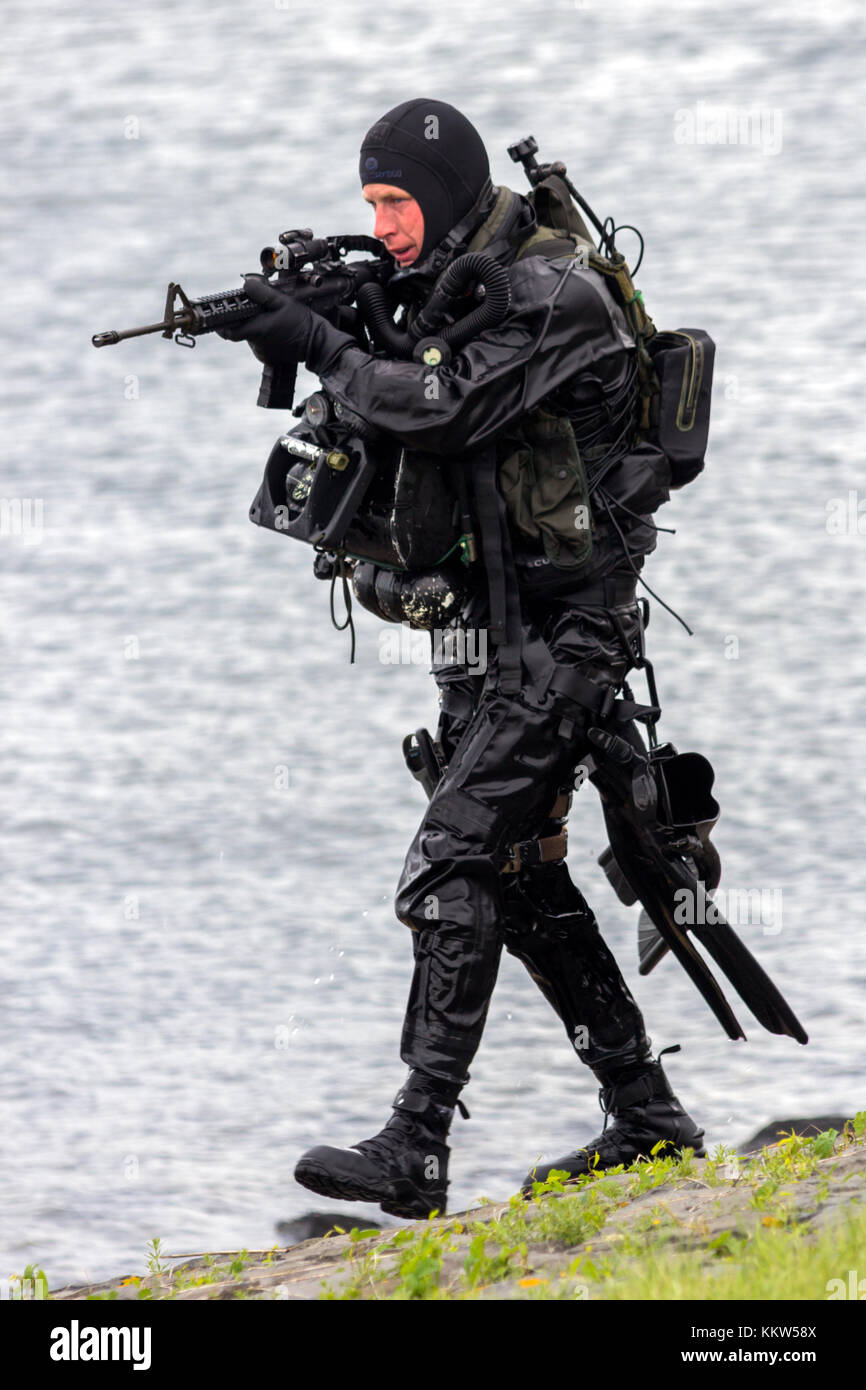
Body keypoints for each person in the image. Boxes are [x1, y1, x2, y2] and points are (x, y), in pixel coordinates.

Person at [219, 98, 706, 1221]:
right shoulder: (439, 281)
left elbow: (436, 404)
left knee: (446, 863)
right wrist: (310, 314)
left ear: (440, 194)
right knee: (521, 880)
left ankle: (416, 1142)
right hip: (482, 635)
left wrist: (320, 345)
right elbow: (397, 392)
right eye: (369, 205)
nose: (383, 223)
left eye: (394, 201)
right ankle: (648, 1119)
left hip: (564, 636)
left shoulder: (551, 293)